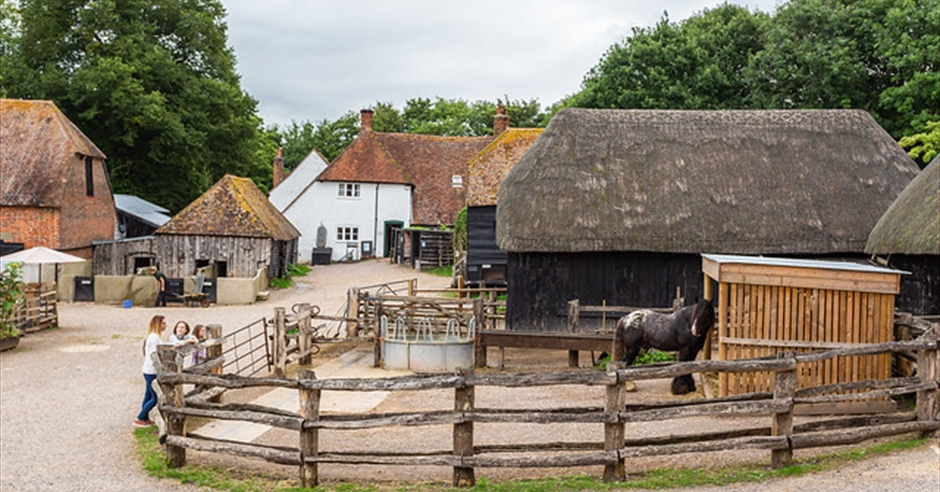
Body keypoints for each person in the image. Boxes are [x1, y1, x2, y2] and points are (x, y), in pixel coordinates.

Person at [135, 315, 166, 427]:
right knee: (155, 397)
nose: (165, 326)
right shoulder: (154, 338)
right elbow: (154, 355)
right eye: (163, 323)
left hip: (148, 369)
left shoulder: (153, 336)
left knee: (148, 395)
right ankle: (139, 417)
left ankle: (144, 418)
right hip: (152, 371)